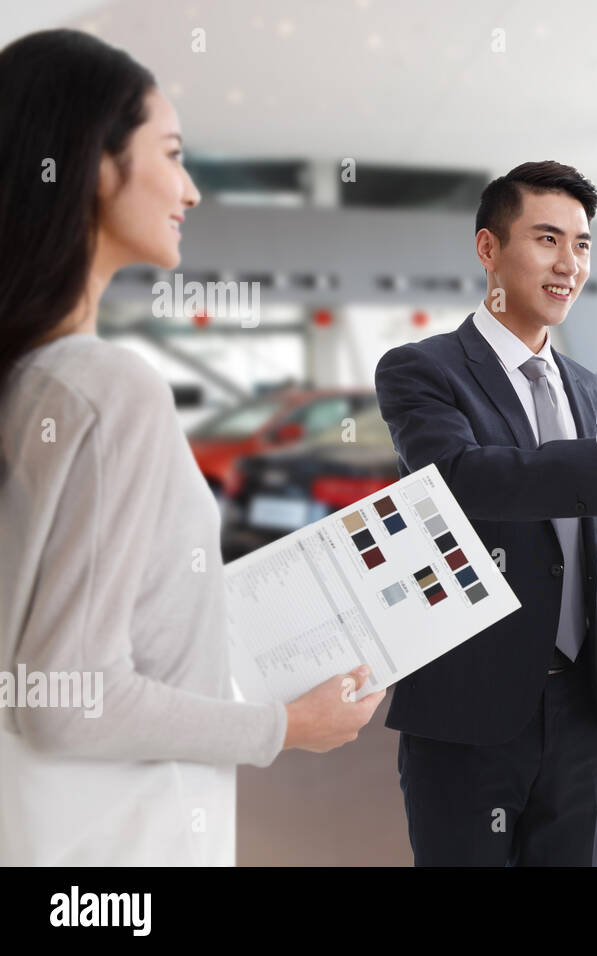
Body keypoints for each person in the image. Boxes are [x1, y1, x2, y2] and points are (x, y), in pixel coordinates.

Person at [0, 29, 384, 867]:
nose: (192, 190)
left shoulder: (27, 384)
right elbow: (71, 699)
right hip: (123, 846)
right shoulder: (106, 388)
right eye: (171, 154)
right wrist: (288, 727)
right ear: (96, 166)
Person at [374, 161, 597, 866]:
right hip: (468, 707)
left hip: (580, 713)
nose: (569, 264)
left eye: (583, 244)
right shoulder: (421, 370)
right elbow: (461, 479)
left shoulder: (587, 386)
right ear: (489, 249)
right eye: (548, 239)